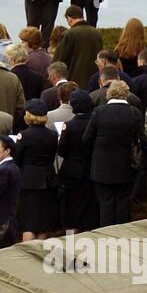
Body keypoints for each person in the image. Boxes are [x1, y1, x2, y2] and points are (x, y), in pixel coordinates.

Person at [85, 80, 144, 226]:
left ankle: (106, 236)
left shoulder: (99, 112)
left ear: (109, 93)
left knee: (105, 203)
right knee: (123, 203)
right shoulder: (134, 113)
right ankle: (121, 236)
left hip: (101, 166)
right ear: (126, 94)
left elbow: (86, 138)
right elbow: (143, 139)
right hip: (125, 165)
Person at [12, 100, 59, 241]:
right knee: (42, 223)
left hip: (29, 181)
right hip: (47, 180)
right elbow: (52, 156)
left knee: (28, 223)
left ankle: (28, 257)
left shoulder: (24, 135)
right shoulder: (52, 135)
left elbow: (17, 159)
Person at [54, 89, 97, 231]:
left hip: (72, 172)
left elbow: (62, 151)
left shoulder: (70, 125)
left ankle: (72, 234)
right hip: (92, 168)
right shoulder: (95, 122)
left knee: (72, 205)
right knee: (91, 204)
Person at [53, 4, 103, 89]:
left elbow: (59, 60)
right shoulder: (97, 33)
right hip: (95, 81)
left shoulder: (68, 34)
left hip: (74, 82)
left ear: (69, 18)